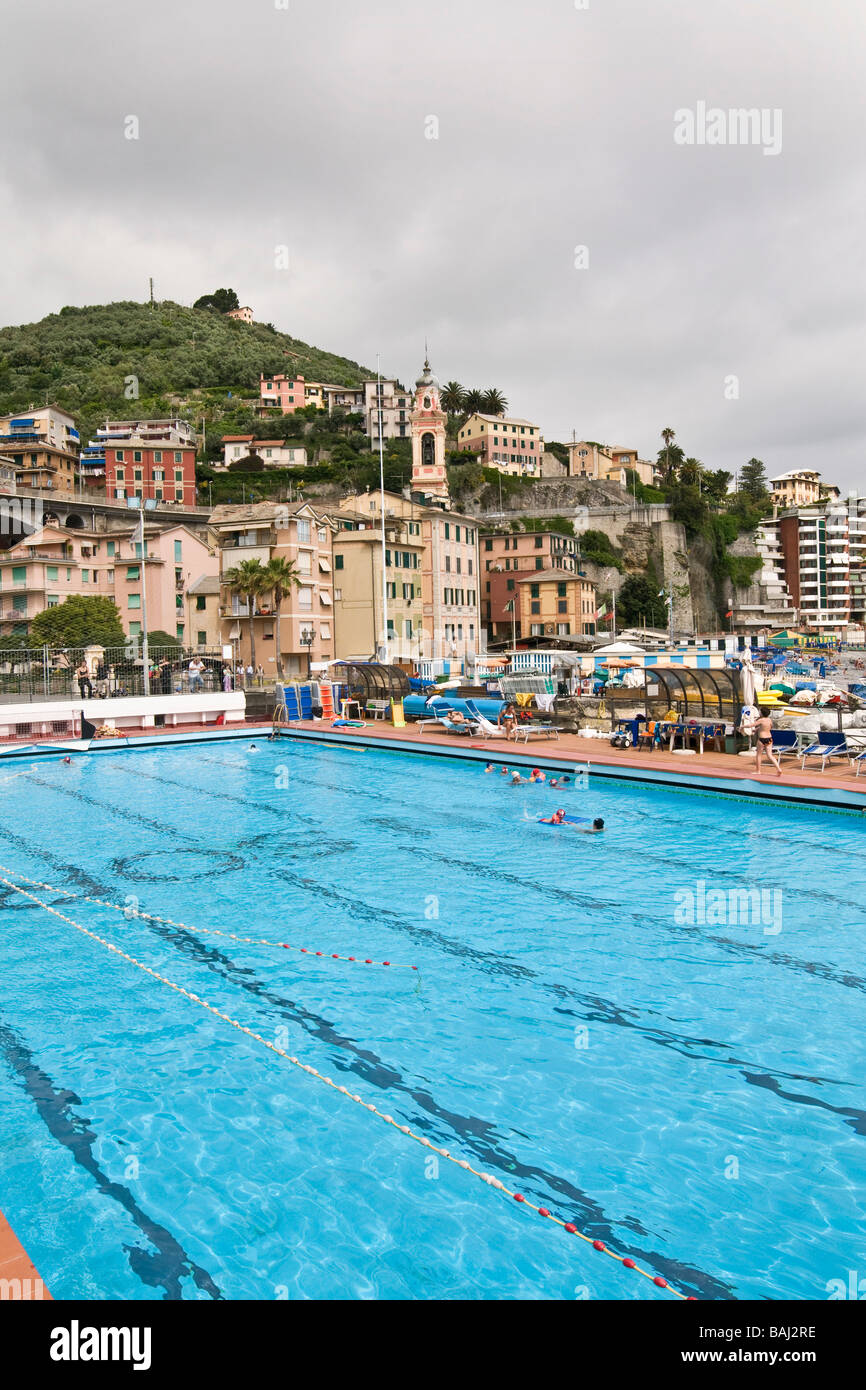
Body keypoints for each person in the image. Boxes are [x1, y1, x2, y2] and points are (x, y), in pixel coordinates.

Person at [754, 707, 782, 777]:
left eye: (760, 712)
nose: (759, 713)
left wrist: (742, 727)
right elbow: (769, 727)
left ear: (762, 713)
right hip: (769, 738)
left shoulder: (761, 720)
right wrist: (758, 729)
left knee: (759, 755)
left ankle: (758, 771)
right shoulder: (769, 720)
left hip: (762, 739)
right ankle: (778, 769)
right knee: (770, 755)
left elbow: (751, 725)